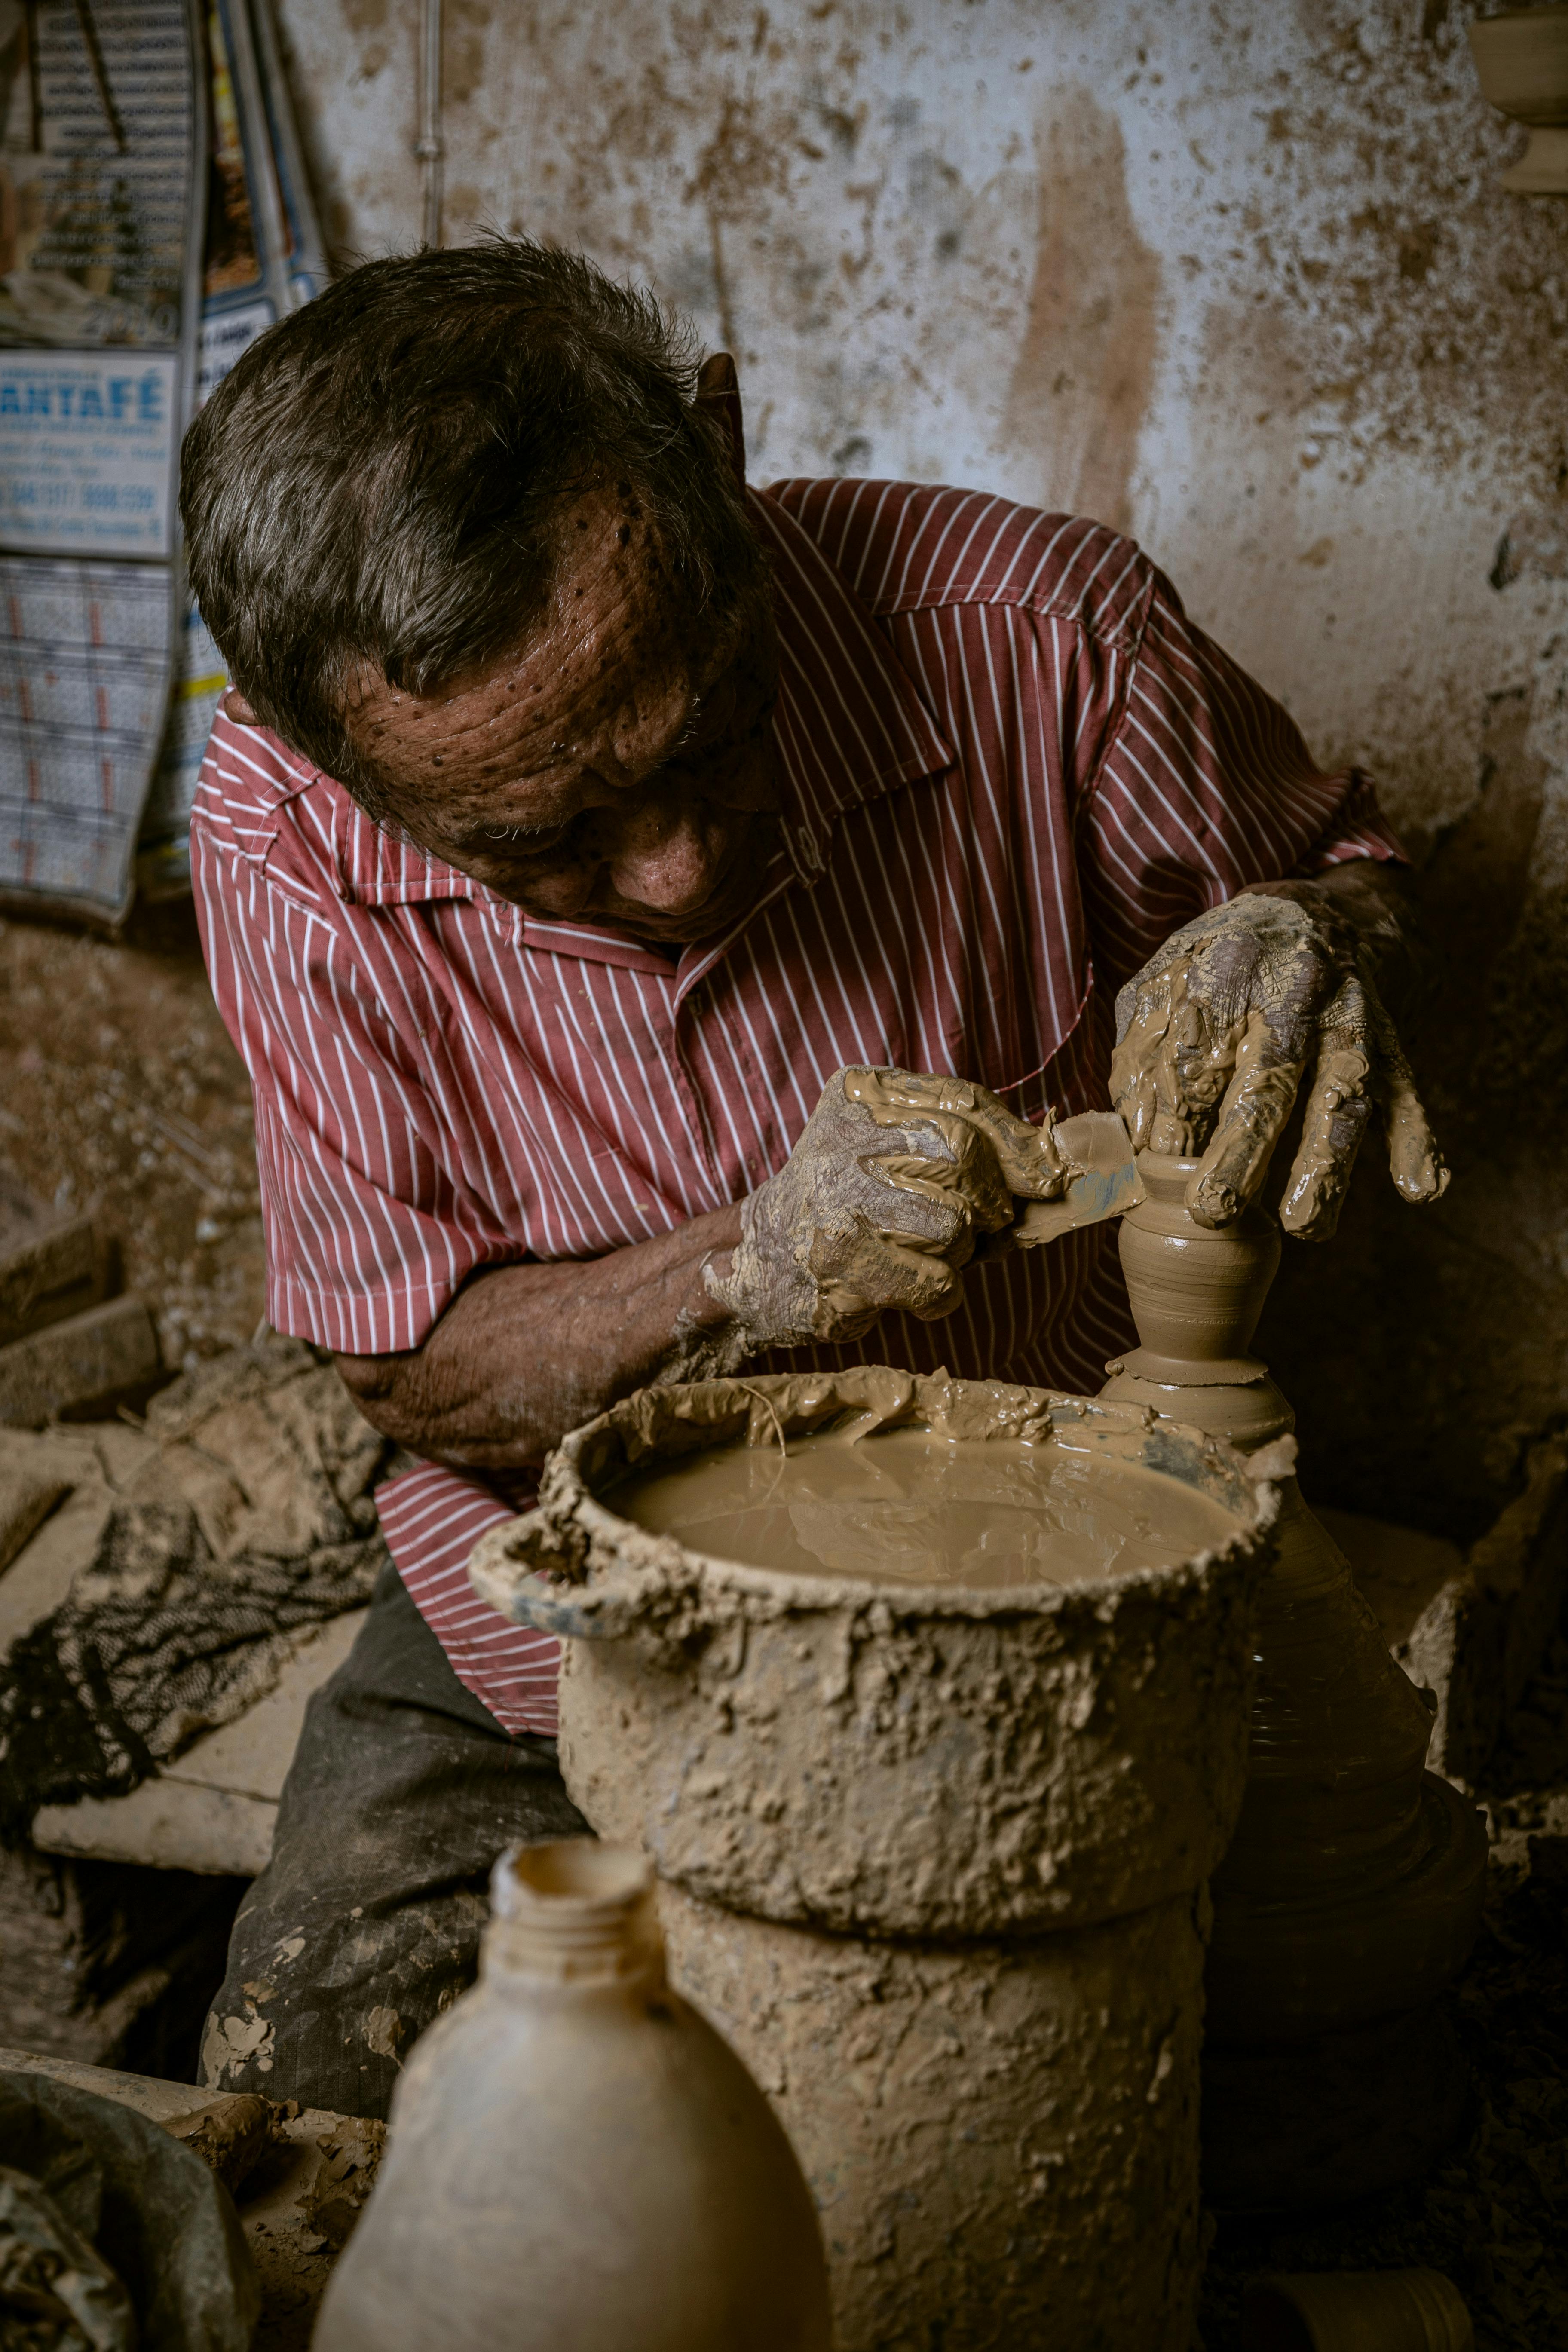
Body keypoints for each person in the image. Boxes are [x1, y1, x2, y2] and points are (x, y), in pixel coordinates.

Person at [181, 239, 1446, 2119]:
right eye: (542, 840)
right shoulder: (280, 837)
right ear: (334, 756)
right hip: (577, 1606)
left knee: (1316, 2090)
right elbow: (414, 1370)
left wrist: (1314, 930)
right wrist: (743, 1269)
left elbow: (1340, 872)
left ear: (721, 437)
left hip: (1053, 1557)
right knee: (318, 2094)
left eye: (707, 723)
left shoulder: (1051, 639)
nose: (681, 871)